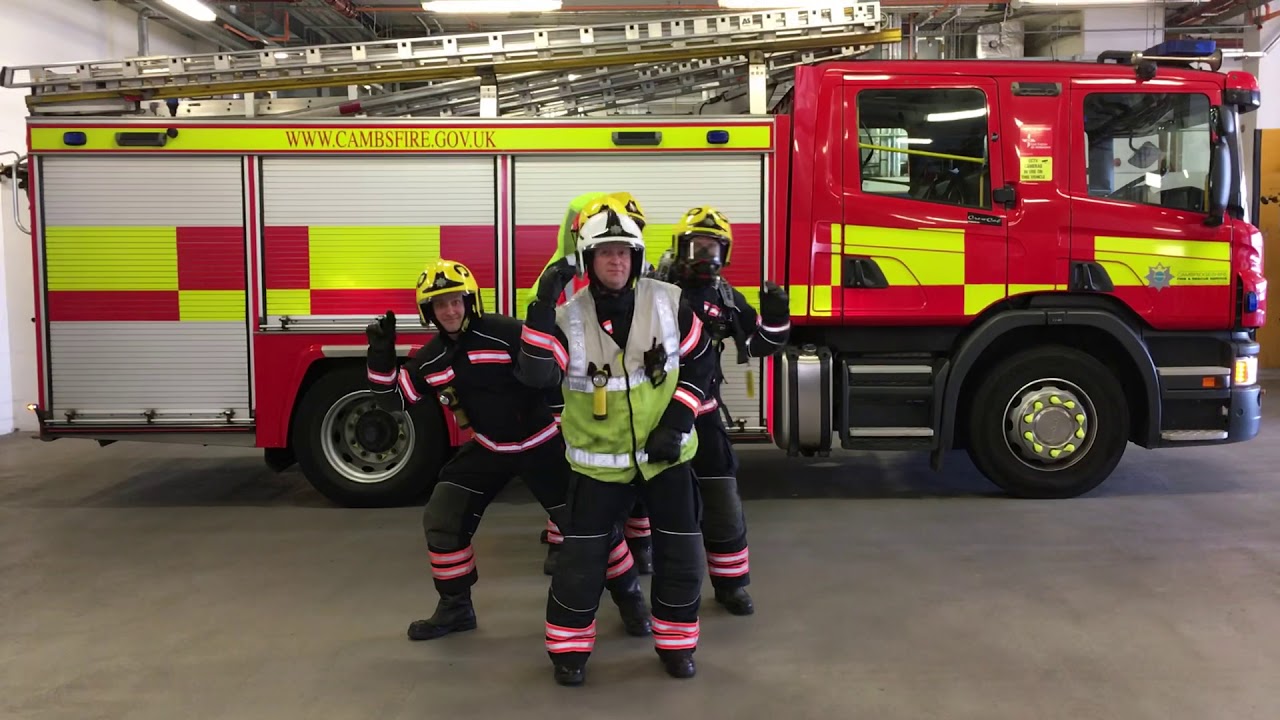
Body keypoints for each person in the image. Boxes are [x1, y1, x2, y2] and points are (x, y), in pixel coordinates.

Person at [365, 259, 651, 642]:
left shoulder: (503, 332)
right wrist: (380, 357)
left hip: (544, 445)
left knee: (592, 526)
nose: (449, 310)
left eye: (456, 301)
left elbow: (556, 358)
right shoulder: (432, 357)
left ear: (471, 302)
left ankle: (631, 600)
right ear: (428, 312)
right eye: (439, 304)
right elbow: (394, 401)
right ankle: (455, 608)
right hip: (488, 450)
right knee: (443, 517)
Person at [517, 195, 718, 685]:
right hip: (598, 466)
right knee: (581, 563)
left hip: (665, 460)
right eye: (605, 252)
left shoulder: (669, 302)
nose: (616, 261)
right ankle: (568, 652)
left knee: (679, 556)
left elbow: (703, 362)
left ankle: (676, 646)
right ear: (588, 261)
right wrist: (541, 307)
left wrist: (677, 422)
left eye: (624, 252)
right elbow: (536, 375)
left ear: (637, 257)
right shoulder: (566, 318)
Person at [649, 205, 791, 616]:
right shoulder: (652, 291)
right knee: (641, 500)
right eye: (697, 247)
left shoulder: (724, 297)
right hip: (652, 415)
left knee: (722, 500)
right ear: (680, 248)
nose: (704, 258)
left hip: (704, 415)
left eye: (713, 249)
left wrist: (777, 316)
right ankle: (636, 567)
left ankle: (730, 585)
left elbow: (758, 346)